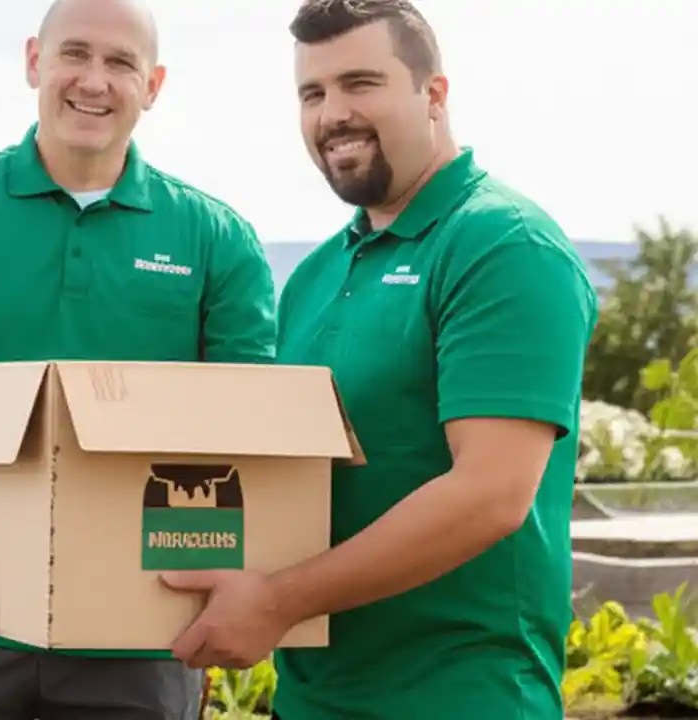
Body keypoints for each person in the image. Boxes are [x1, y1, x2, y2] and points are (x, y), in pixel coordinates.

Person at [0, 0, 279, 717]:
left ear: (154, 85)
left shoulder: (214, 237)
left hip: (140, 631)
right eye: (75, 54)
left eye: (120, 63)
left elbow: (248, 429)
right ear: (34, 61)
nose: (94, 81)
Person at [159, 1, 599, 718]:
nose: (333, 113)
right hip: (313, 695)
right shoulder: (317, 274)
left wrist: (275, 603)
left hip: (461, 695)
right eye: (313, 92)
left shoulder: (504, 246)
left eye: (360, 83)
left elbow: (491, 493)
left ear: (434, 94)